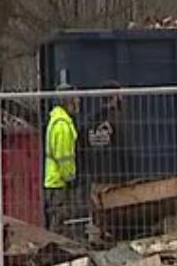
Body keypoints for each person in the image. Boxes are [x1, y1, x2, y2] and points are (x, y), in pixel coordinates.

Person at [43, 88, 80, 230]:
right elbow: (64, 157)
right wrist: (70, 177)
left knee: (58, 218)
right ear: (68, 102)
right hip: (59, 182)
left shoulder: (57, 121)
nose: (78, 103)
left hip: (54, 180)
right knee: (60, 220)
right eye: (76, 99)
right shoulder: (62, 126)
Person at [83, 87, 134, 185]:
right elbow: (125, 150)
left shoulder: (91, 121)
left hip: (96, 179)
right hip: (116, 179)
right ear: (115, 97)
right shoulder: (118, 120)